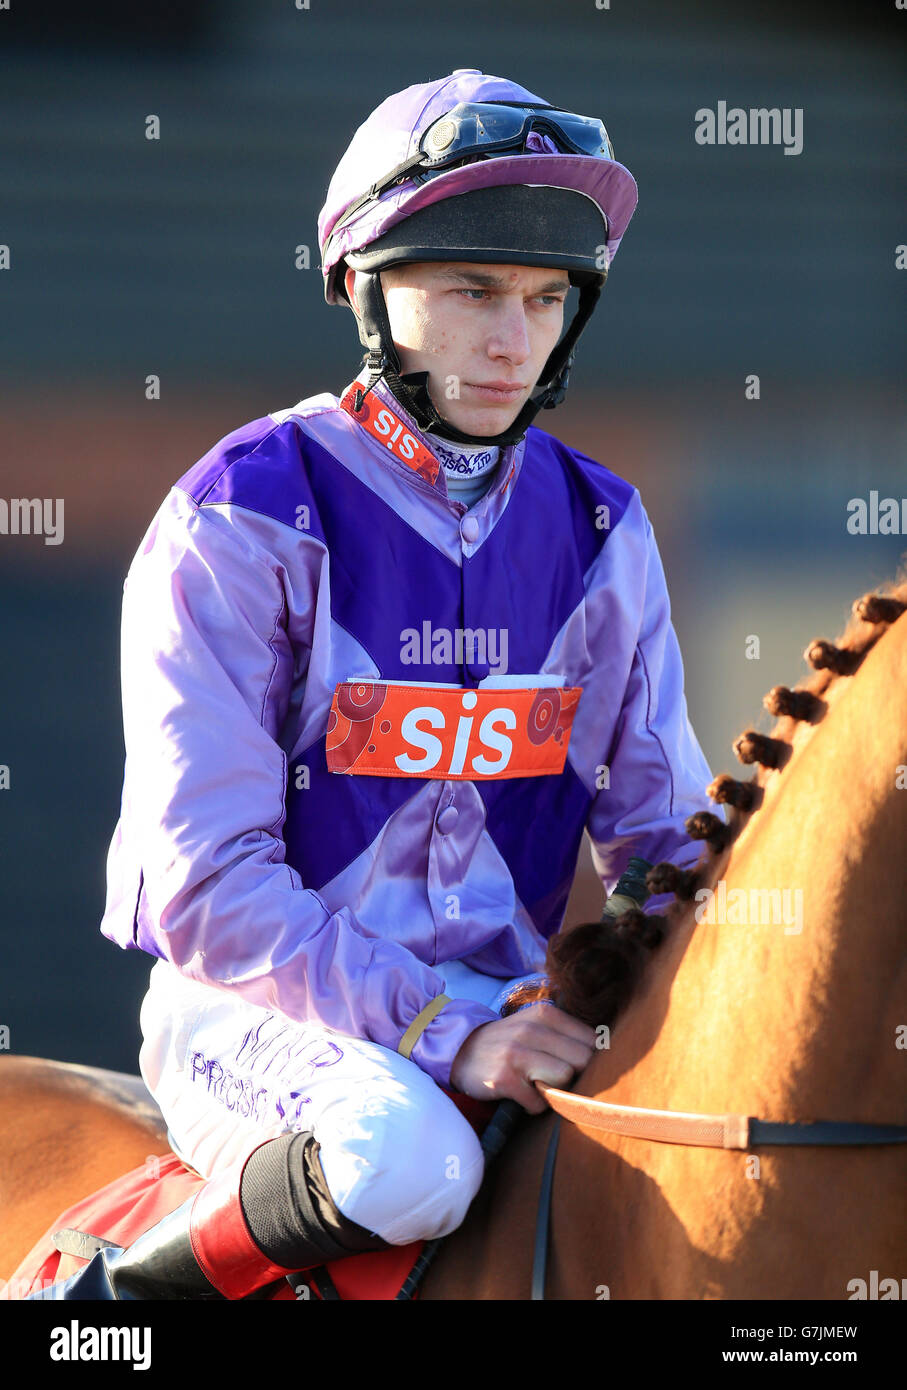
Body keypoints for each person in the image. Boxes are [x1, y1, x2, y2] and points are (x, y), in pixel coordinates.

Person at [38, 69, 720, 1300]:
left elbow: (664, 843)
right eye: (469, 291)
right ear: (360, 284)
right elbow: (204, 890)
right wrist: (449, 1028)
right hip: (253, 1021)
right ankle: (100, 1310)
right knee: (408, 1159)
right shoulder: (240, 514)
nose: (514, 340)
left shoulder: (602, 527)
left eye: (544, 297)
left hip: (513, 1012)